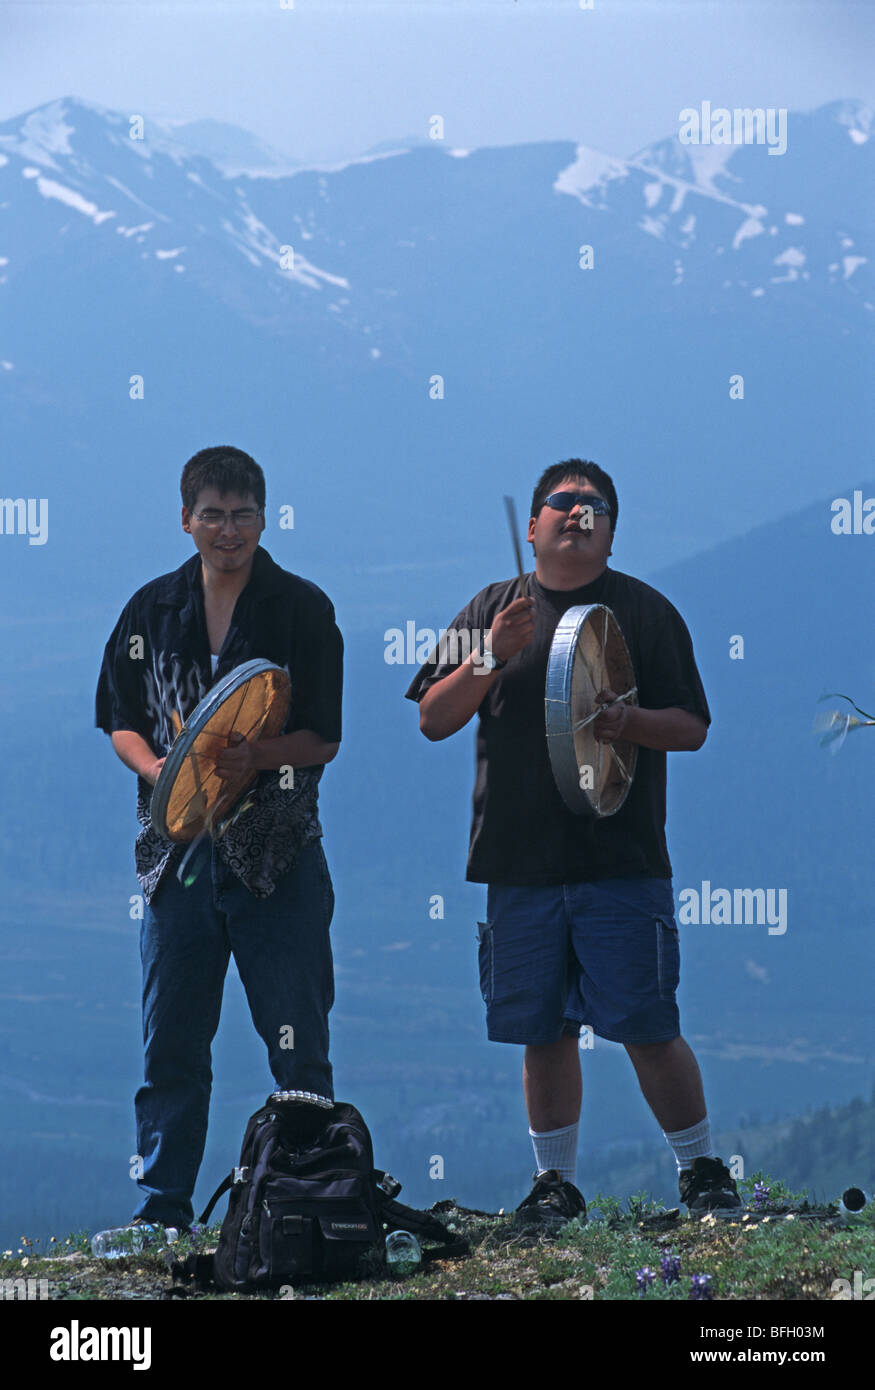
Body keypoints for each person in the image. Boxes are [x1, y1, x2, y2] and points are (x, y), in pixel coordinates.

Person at [405, 459, 740, 1224]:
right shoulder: (493, 607)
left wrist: (627, 723)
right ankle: (553, 1184)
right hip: (517, 862)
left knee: (647, 1024)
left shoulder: (643, 614)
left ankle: (699, 1172)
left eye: (596, 507)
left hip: (619, 859)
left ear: (612, 536)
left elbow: (690, 726)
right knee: (542, 1029)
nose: (578, 513)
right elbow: (431, 717)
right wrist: (490, 652)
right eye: (563, 502)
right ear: (531, 527)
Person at [95, 445, 342, 1235]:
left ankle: (310, 1202)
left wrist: (256, 755)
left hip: (276, 857)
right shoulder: (149, 610)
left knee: (296, 1049)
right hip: (176, 862)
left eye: (241, 515)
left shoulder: (301, 607)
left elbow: (324, 738)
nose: (227, 530)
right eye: (212, 514)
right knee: (170, 1043)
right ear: (185, 519)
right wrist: (162, 771)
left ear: (263, 519)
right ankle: (161, 1211)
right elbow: (119, 719)